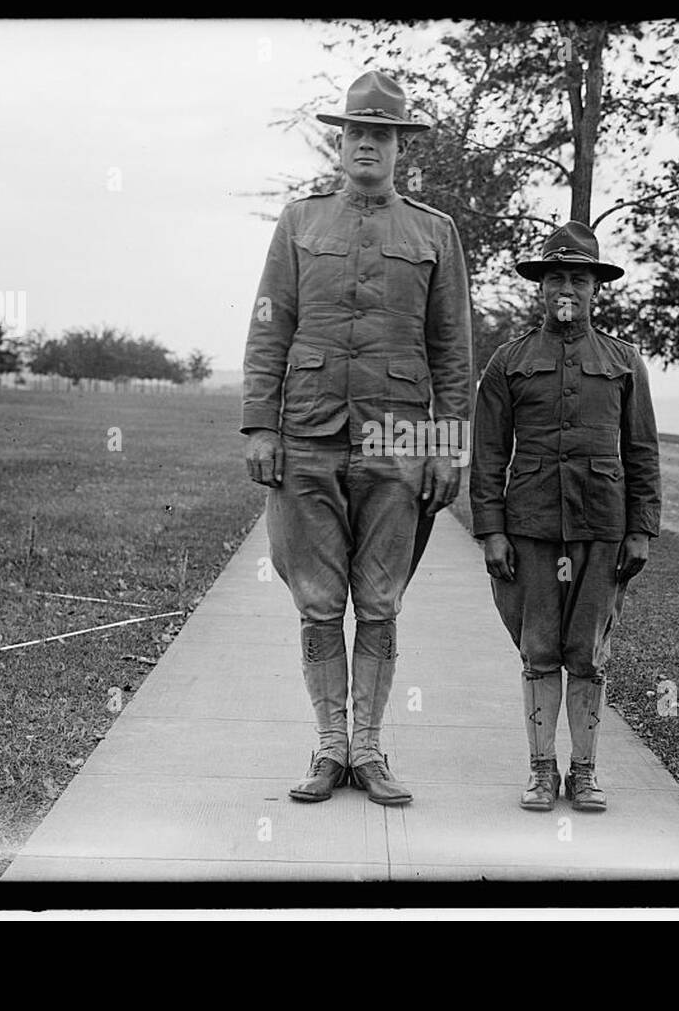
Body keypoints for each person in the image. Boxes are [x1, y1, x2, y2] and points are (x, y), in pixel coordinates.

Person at [242, 71, 473, 806]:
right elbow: (269, 325)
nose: (368, 143)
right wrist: (258, 424)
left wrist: (448, 445)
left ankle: (369, 749)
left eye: (383, 134)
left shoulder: (434, 232)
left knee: (378, 602)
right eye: (356, 132)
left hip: (398, 438)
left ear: (402, 146)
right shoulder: (300, 222)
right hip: (307, 432)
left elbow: (453, 351)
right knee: (317, 603)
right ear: (340, 143)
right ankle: (330, 745)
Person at [470, 221, 661, 812]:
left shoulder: (625, 363)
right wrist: (491, 529)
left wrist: (640, 527)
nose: (567, 288)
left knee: (587, 652)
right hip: (529, 528)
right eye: (556, 277)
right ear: (542, 285)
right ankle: (539, 770)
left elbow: (643, 451)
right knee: (538, 650)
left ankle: (585, 771)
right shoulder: (509, 361)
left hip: (602, 527)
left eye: (578, 278)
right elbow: (488, 453)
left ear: (595, 287)